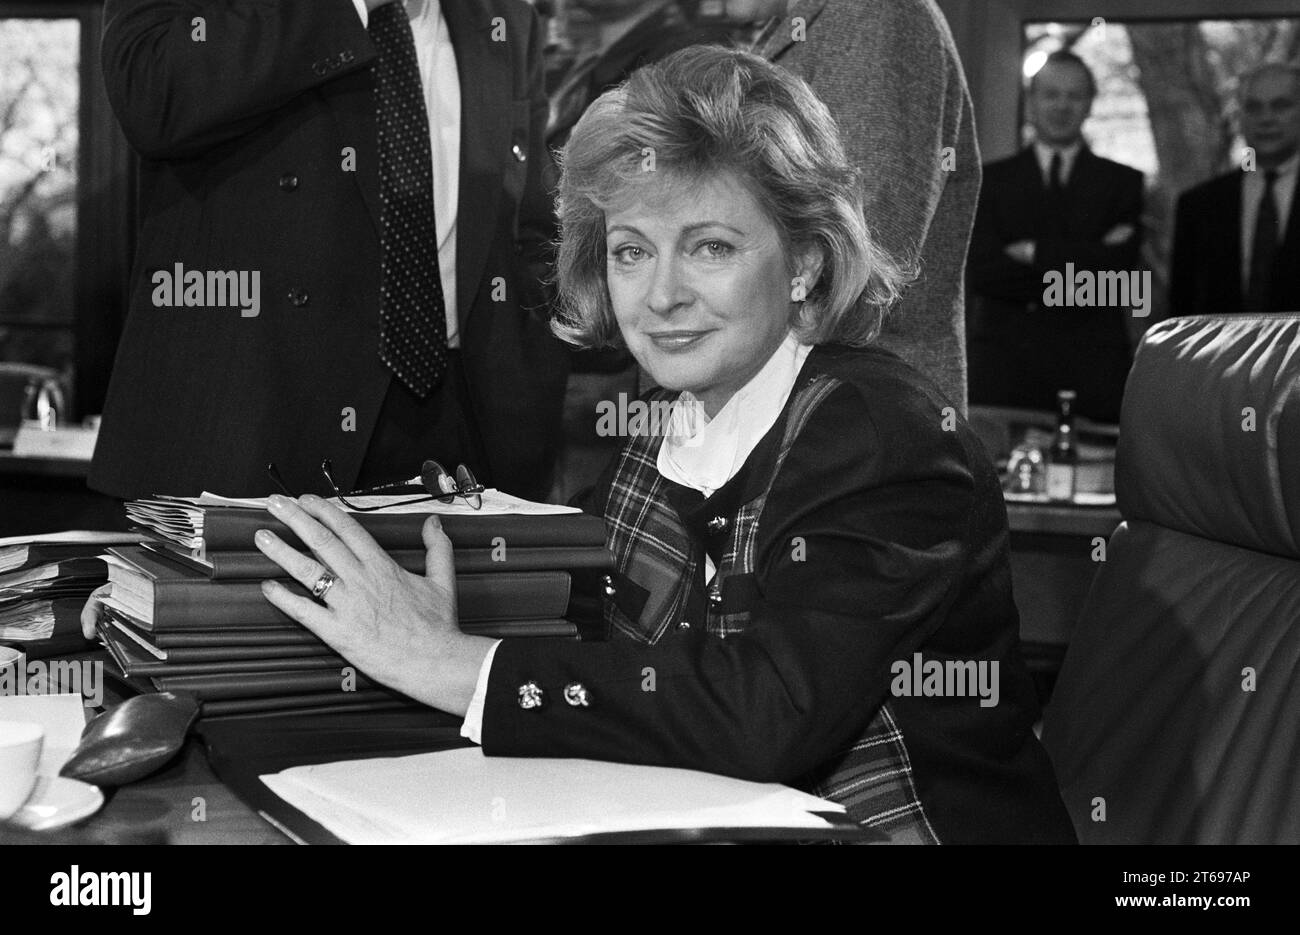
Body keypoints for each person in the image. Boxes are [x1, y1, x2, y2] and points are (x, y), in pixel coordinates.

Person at [105, 46, 1073, 842]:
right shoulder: (666, 429)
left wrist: (453, 660)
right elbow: (629, 666)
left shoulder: (875, 424)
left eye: (711, 246)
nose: (660, 296)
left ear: (807, 263)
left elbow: (764, 713)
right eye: (629, 249)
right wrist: (459, 625)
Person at [89, 0, 569, 502]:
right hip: (255, 433)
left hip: (460, 436)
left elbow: (531, 229)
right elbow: (149, 92)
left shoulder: (506, 19)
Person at [752, 0, 981, 414]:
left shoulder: (875, 10)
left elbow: (866, 244)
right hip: (821, 401)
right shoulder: (803, 20)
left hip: (859, 412)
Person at [967, 50, 1143, 424]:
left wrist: (1034, 252)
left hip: (1093, 376)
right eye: (1051, 95)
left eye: (1074, 96)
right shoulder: (990, 182)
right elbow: (983, 274)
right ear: (1031, 102)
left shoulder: (1124, 183)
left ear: (1090, 103)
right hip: (1006, 374)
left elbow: (1120, 281)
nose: (1062, 106)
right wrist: (1088, 261)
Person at [1170, 63, 1300, 319]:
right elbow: (1182, 310)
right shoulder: (1199, 205)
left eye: (1281, 106)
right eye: (1253, 108)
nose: (1266, 118)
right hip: (1222, 357)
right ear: (1240, 118)